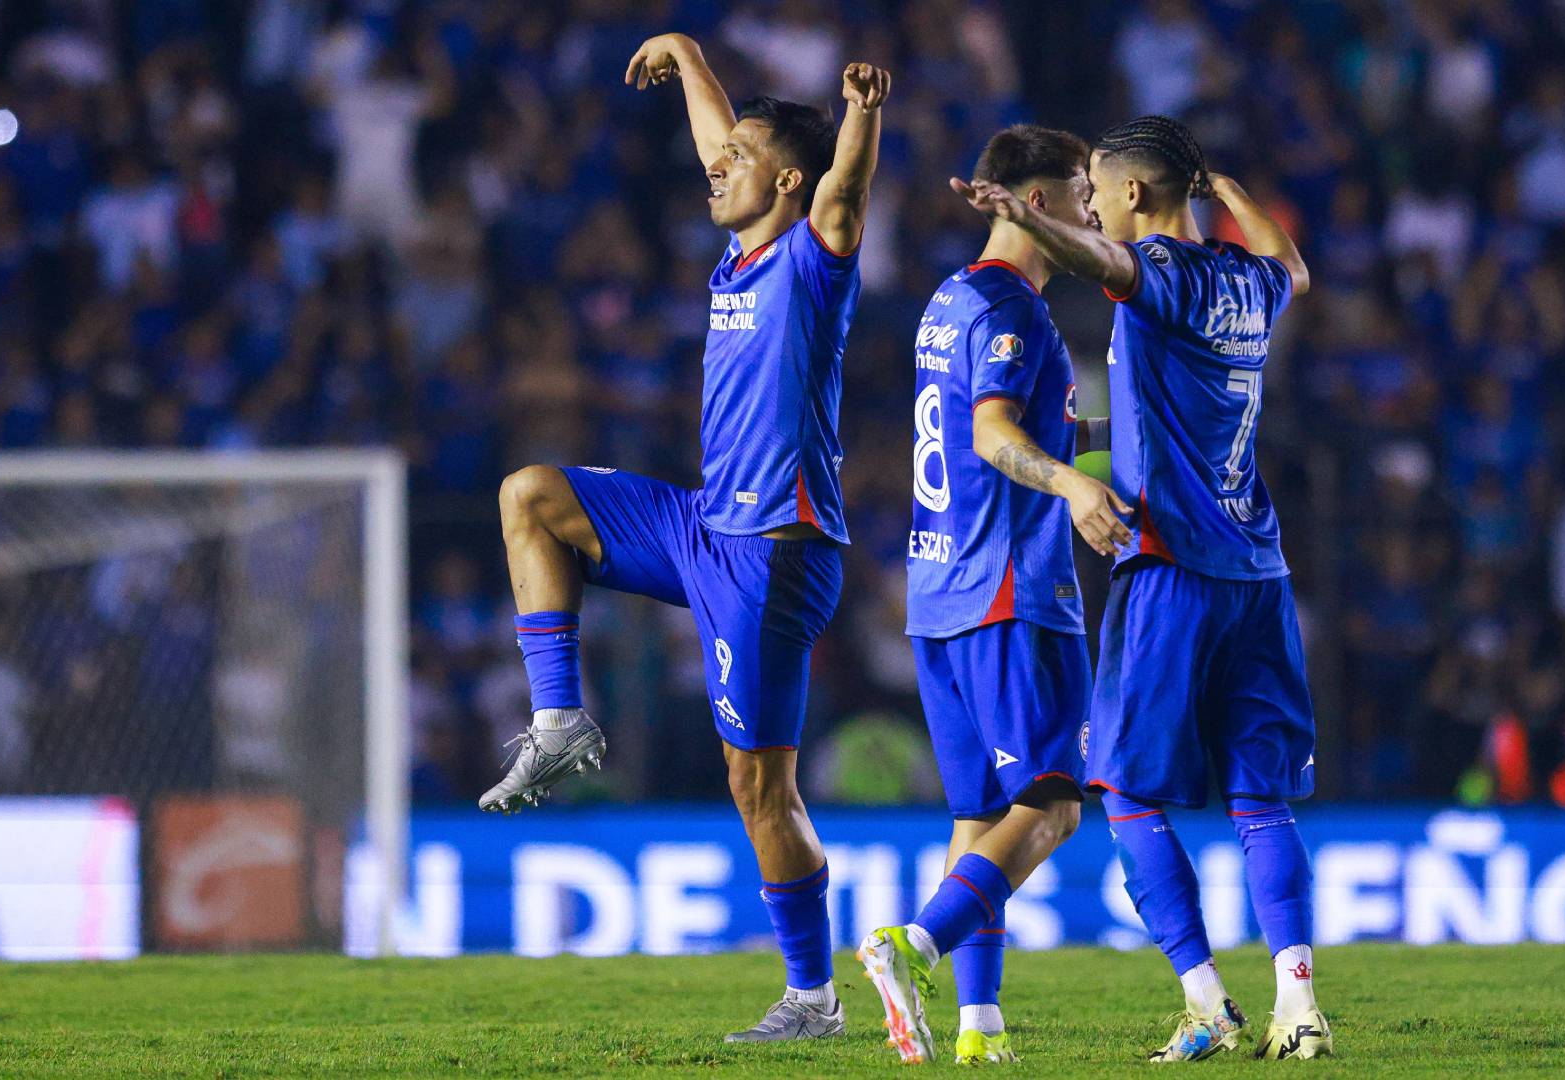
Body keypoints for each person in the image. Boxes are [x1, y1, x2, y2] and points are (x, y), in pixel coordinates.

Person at [481, 32, 887, 1043]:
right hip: (706, 523)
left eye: (741, 162)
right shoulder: (743, 246)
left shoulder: (810, 258)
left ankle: (813, 999)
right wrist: (689, 56)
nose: (715, 168)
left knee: (759, 785)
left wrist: (864, 116)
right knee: (531, 495)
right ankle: (559, 721)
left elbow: (840, 191)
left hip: (776, 551)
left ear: (787, 180)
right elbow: (724, 143)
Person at [953, 115, 1332, 1061]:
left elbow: (1099, 264)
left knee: (1122, 789)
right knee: (1260, 801)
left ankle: (1207, 1002)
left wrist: (1024, 220)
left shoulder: (1159, 276)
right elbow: (1295, 266)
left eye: (1100, 193)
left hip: (1170, 571)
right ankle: (1299, 1007)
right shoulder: (1251, 282)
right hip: (1259, 571)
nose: (1093, 207)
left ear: (1131, 196)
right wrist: (1230, 191)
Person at [856, 125, 1127, 1065]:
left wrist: (1116, 449)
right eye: (1085, 195)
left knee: (980, 821)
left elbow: (1033, 426)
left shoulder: (951, 298)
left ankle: (978, 1028)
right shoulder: (1015, 311)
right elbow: (992, 434)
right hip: (1009, 591)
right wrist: (1074, 483)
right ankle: (914, 945)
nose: (1097, 212)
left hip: (939, 595)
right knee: (1051, 804)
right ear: (1041, 202)